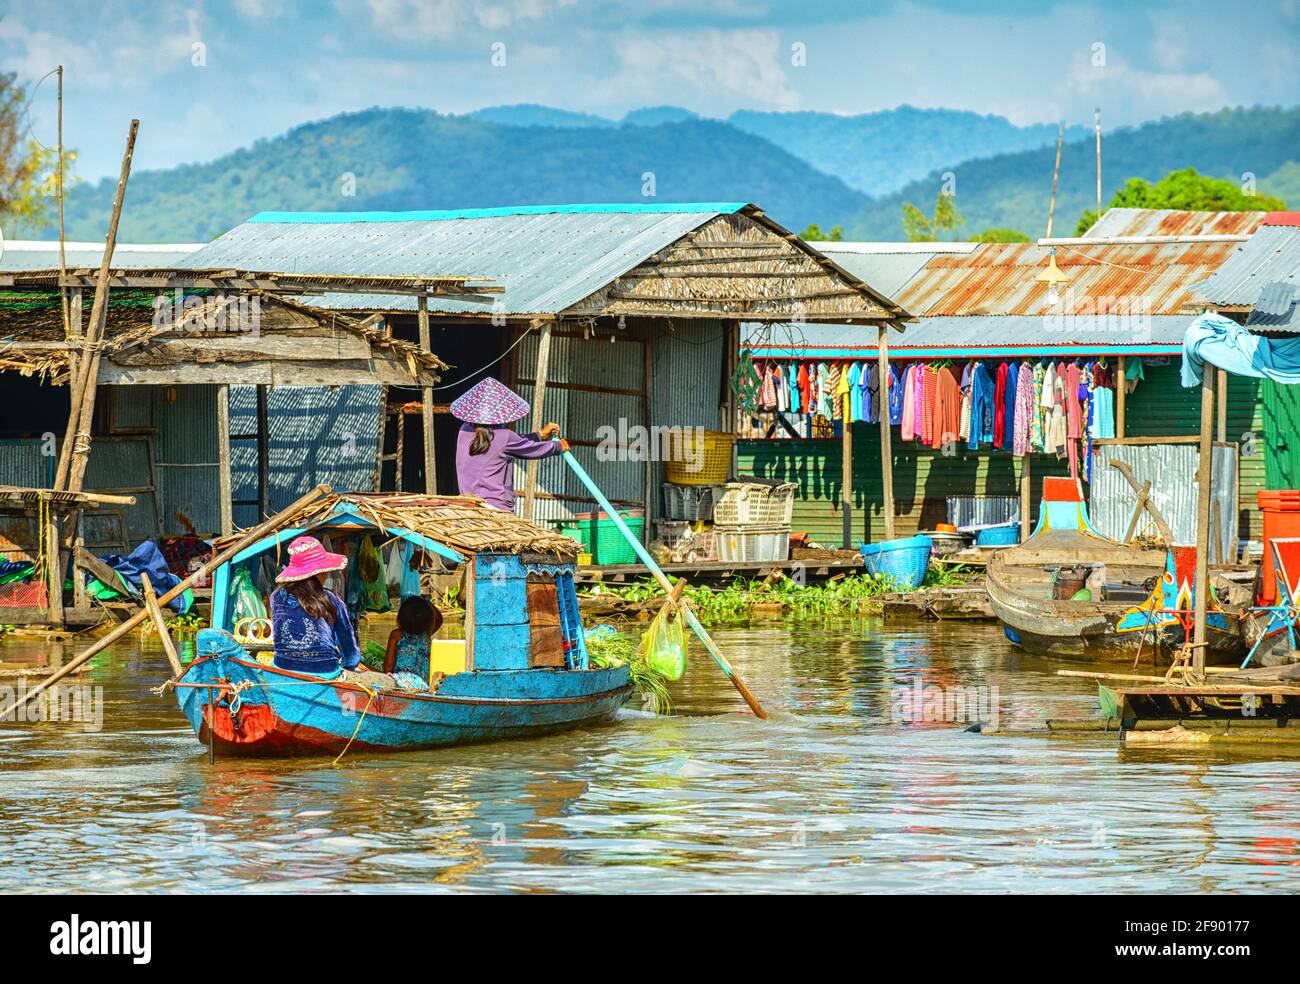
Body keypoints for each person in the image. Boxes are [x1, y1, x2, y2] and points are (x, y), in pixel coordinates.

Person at [451, 376, 568, 511]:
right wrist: (557, 446)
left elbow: (507, 444)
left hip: (468, 505)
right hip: (495, 507)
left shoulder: (465, 430)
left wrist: (539, 435)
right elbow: (528, 449)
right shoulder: (505, 437)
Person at [269, 536, 361, 675]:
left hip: (283, 667)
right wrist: (348, 666)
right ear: (319, 572)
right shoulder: (332, 600)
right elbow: (351, 654)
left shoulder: (275, 597)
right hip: (324, 671)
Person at [383, 596, 444, 687]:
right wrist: (426, 602)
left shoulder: (396, 635)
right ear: (428, 621)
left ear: (401, 618)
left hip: (400, 683)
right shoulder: (426, 636)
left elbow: (388, 668)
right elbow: (439, 619)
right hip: (422, 685)